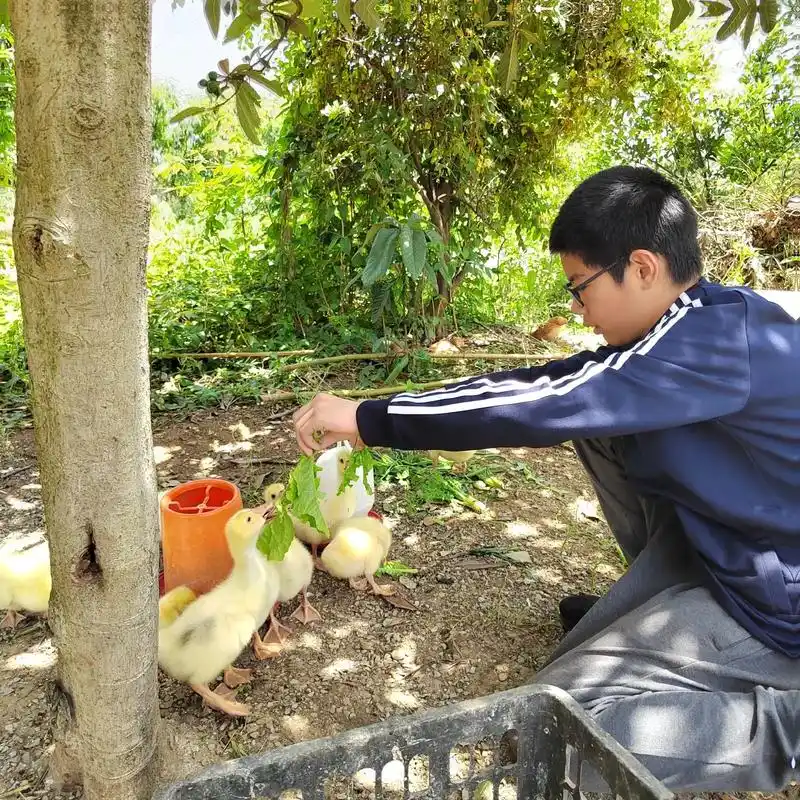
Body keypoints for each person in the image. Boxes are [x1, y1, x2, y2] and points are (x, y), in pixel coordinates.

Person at [292, 166, 800, 792]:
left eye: (580, 289)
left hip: (784, 601)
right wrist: (380, 413)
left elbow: (549, 404)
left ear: (641, 268)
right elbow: (555, 385)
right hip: (748, 547)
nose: (576, 310)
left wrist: (369, 418)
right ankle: (663, 595)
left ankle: (787, 725)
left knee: (560, 732)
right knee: (607, 424)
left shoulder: (713, 343)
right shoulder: (696, 323)